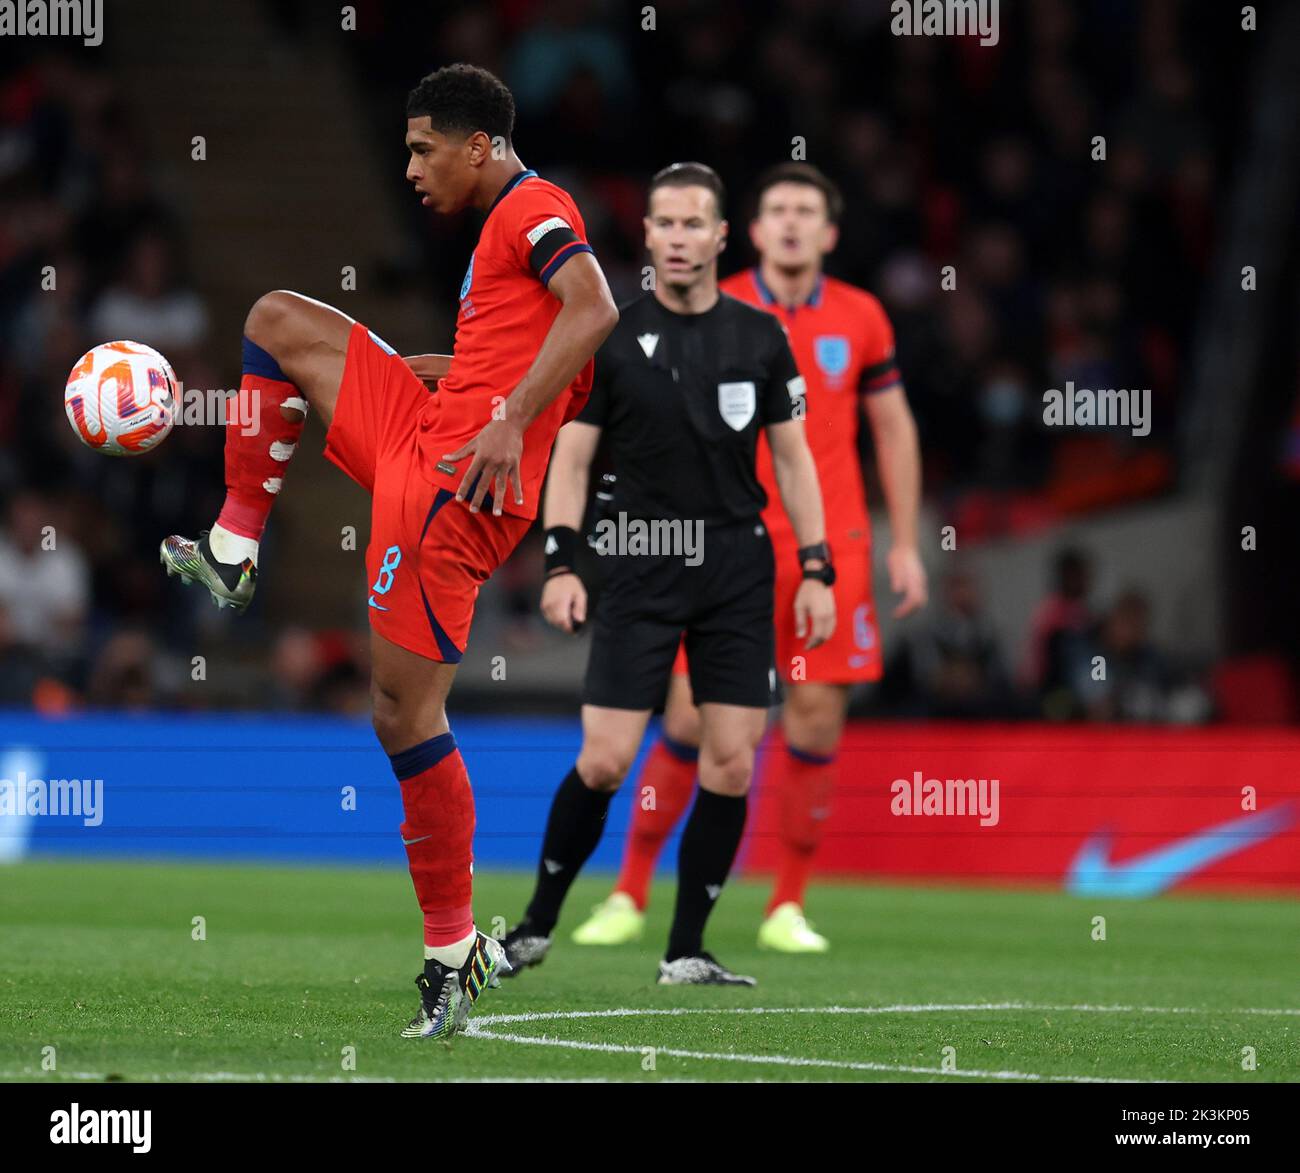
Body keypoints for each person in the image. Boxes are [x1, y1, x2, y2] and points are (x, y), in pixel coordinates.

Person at [159, 65, 618, 1039]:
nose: (409, 167)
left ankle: (450, 955)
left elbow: (594, 310)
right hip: (432, 431)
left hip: (456, 490)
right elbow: (540, 341)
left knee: (402, 715)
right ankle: (233, 546)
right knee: (277, 319)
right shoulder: (501, 225)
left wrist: (504, 420)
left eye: (421, 149)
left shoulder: (535, 208)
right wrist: (459, 377)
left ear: (478, 147)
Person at [573, 163, 927, 953]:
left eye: (808, 210)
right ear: (754, 230)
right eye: (778, 210)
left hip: (826, 549)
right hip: (721, 544)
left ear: (829, 233)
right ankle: (630, 890)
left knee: (815, 719)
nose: (793, 222)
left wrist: (905, 541)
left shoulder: (863, 318)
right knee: (689, 718)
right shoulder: (710, 306)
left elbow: (894, 428)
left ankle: (786, 906)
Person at [501, 162, 835, 986]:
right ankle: (536, 925)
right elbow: (571, 457)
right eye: (665, 224)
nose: (680, 238)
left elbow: (794, 460)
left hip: (735, 567)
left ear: (723, 237)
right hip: (640, 562)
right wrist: (562, 561)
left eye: (695, 224)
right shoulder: (606, 335)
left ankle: (686, 948)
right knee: (607, 758)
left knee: (730, 760)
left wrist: (818, 566)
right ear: (647, 236)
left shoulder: (761, 337)